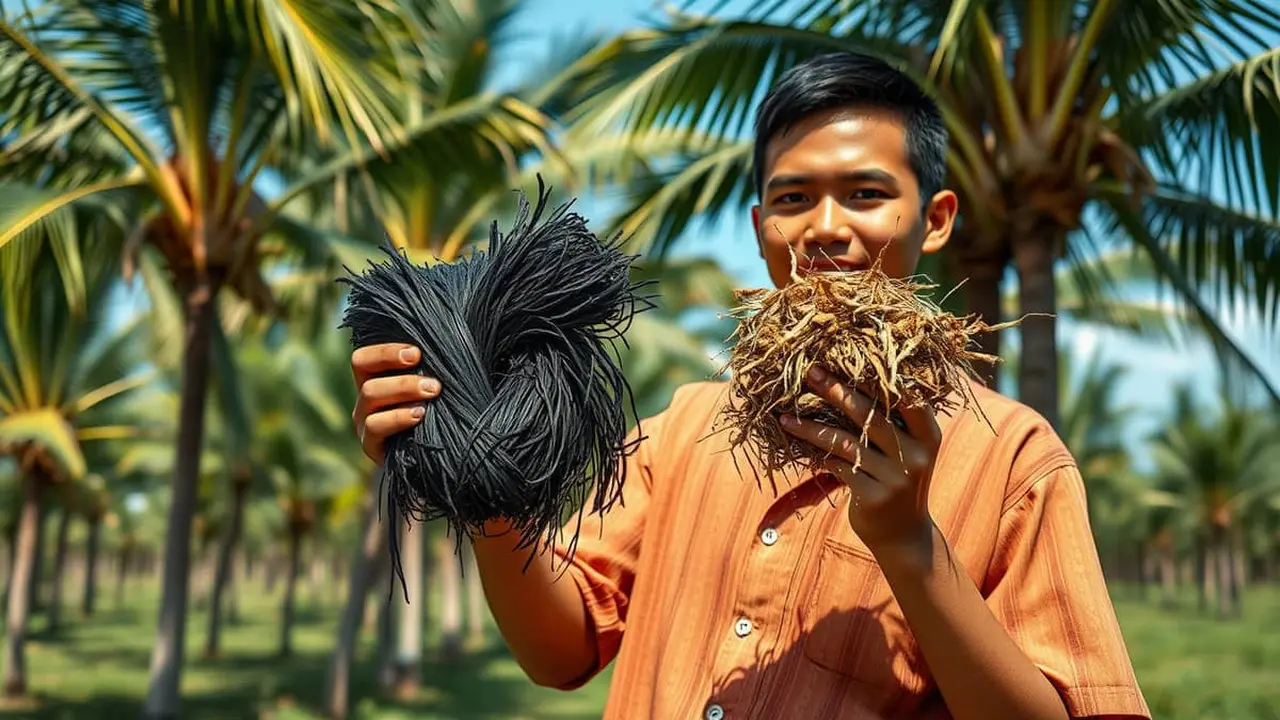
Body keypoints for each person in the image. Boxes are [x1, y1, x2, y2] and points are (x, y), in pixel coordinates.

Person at [348, 52, 1151, 720]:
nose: (826, 227)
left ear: (935, 218)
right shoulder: (688, 425)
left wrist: (912, 549)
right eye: (793, 199)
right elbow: (556, 653)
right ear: (763, 223)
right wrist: (473, 456)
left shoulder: (1014, 460)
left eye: (867, 194)